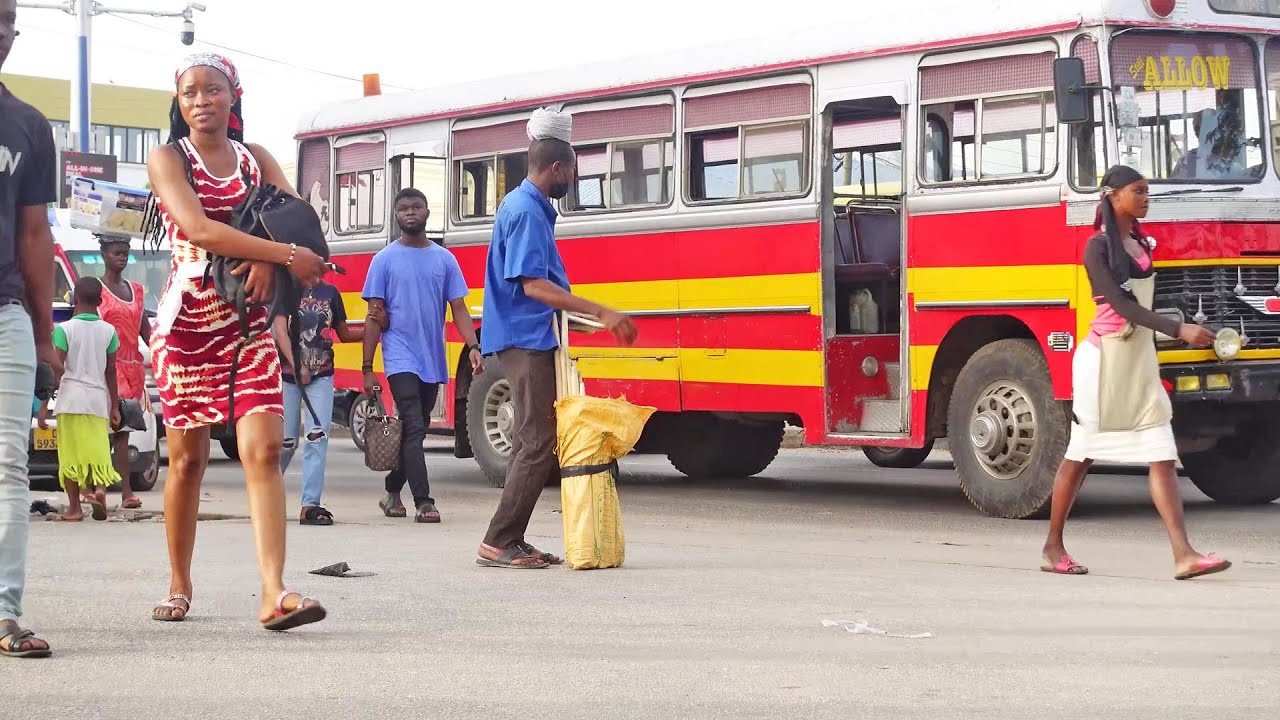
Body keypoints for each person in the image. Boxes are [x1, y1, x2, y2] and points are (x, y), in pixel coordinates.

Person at [146, 53, 328, 630]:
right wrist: (280, 257)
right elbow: (198, 229)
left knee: (264, 451)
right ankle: (179, 581)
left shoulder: (258, 158)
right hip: (189, 328)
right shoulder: (168, 158)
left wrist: (278, 263)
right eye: (190, 92)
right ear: (179, 103)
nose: (201, 100)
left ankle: (273, 592)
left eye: (213, 90)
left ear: (234, 96)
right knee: (187, 463)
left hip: (247, 324)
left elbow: (295, 215)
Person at [1040, 164, 1230, 581]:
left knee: (1162, 454)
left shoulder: (1141, 242)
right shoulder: (1096, 247)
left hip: (1139, 360)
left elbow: (1143, 303)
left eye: (1147, 191)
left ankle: (1184, 555)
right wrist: (1179, 329)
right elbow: (1122, 307)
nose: (1146, 198)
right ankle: (1053, 545)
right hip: (1103, 362)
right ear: (1113, 195)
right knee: (1081, 455)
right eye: (1138, 191)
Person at [476, 109, 638, 570]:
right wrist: (601, 311)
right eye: (572, 170)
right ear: (556, 169)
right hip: (523, 338)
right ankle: (499, 540)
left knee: (535, 438)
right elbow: (533, 286)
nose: (573, 178)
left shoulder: (525, 206)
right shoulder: (527, 212)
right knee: (536, 439)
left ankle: (512, 537)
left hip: (524, 334)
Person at [362, 188, 481, 524]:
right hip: (399, 356)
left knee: (417, 428)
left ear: (428, 212)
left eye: (416, 207)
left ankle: (391, 492)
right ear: (396, 216)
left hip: (432, 358)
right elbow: (374, 316)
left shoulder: (445, 260)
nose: (410, 213)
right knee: (414, 424)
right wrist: (367, 367)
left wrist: (473, 347)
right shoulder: (383, 260)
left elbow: (459, 308)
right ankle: (424, 501)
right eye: (403, 209)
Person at [0, 0, 59, 658]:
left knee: (9, 468)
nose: (0, 32)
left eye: (7, 20)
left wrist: (44, 336)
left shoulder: (26, 125)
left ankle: (4, 612)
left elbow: (35, 234)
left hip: (5, 315)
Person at [273, 279, 362, 525]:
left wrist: (375, 329)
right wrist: (296, 363)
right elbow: (279, 331)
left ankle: (310, 505)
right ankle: (265, 495)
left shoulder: (330, 293)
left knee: (317, 438)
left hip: (322, 376)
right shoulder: (284, 289)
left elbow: (343, 333)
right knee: (286, 442)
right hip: (288, 377)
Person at [39, 276, 122, 522]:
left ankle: (74, 508)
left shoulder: (64, 330)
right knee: (97, 449)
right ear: (100, 300)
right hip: (97, 400)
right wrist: (115, 406)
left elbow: (57, 368)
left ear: (74, 298)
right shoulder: (109, 331)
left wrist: (44, 406)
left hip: (70, 399)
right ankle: (98, 490)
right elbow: (111, 371)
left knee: (70, 455)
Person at [97, 235, 150, 510]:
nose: (122, 257)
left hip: (132, 370)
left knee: (123, 431)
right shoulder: (96, 290)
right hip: (106, 368)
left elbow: (145, 330)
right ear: (104, 254)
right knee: (103, 430)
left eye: (126, 253)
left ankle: (126, 491)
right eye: (116, 252)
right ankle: (98, 488)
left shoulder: (137, 291)